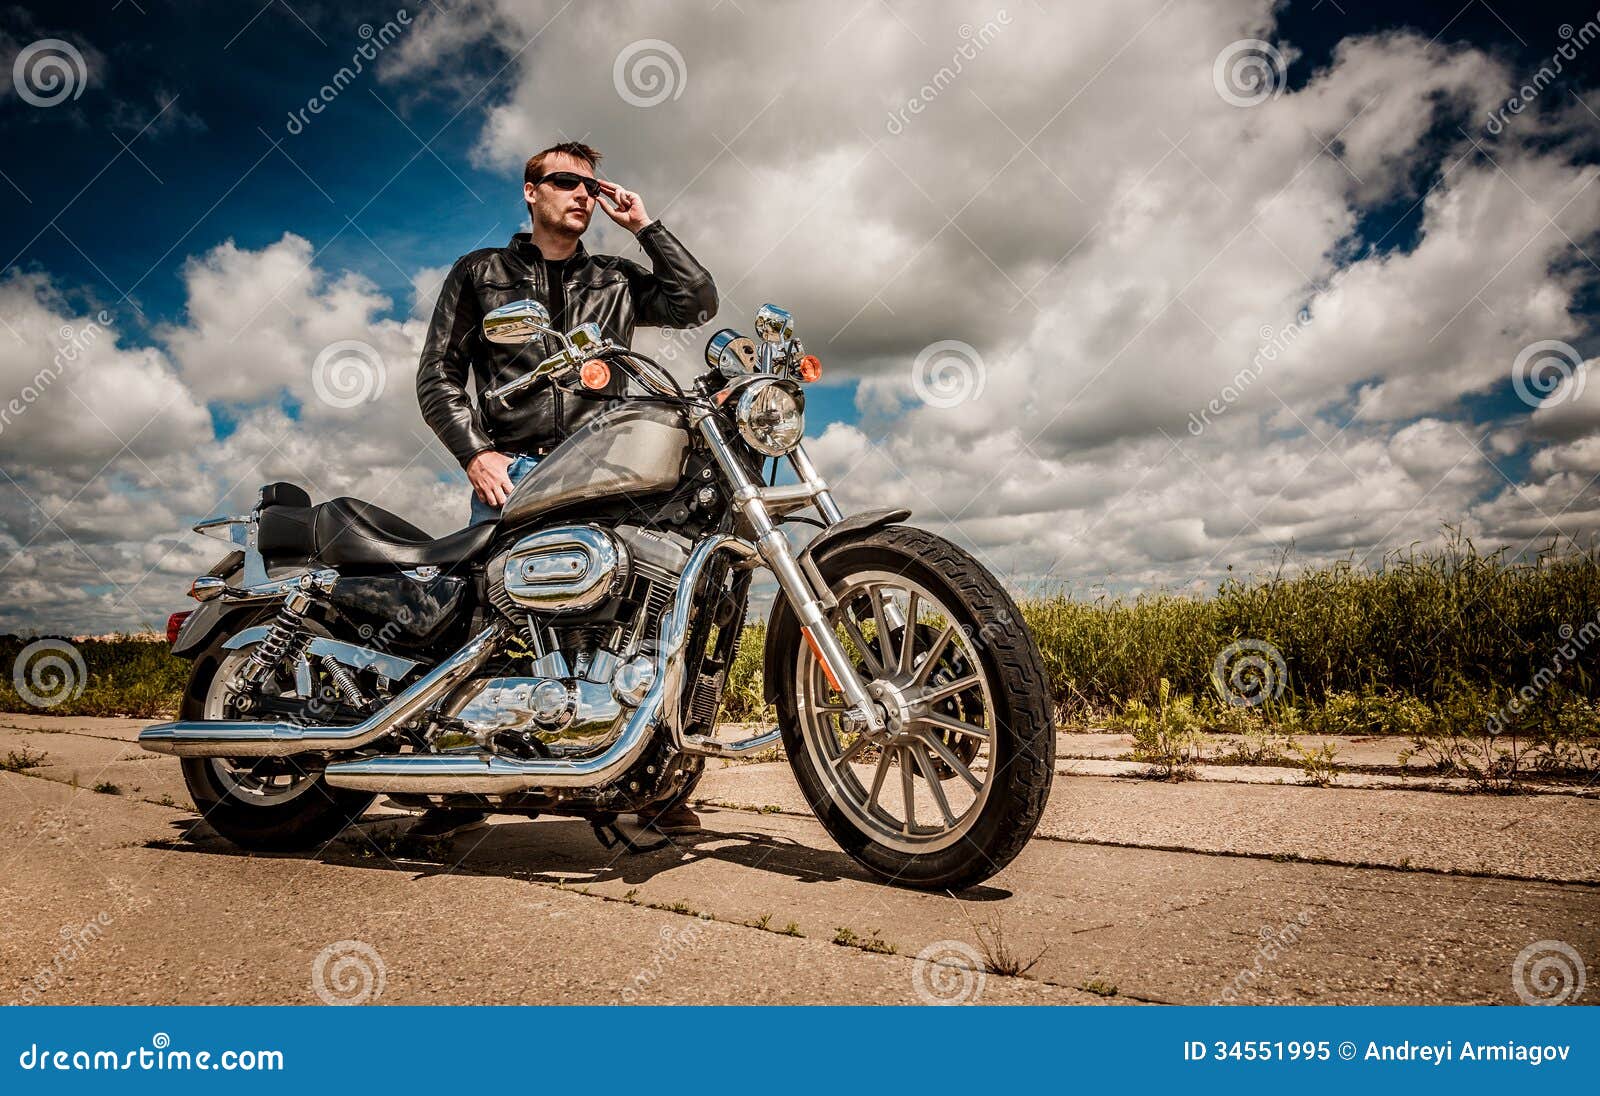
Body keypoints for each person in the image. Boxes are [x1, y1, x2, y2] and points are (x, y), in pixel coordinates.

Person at [411, 140, 717, 840]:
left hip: (604, 463)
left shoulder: (614, 277)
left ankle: (650, 781)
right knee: (478, 618)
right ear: (530, 190)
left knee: (645, 611)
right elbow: (437, 375)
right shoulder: (480, 273)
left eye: (592, 185)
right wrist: (475, 452)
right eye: (566, 181)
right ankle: (448, 785)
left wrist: (646, 226)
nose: (582, 194)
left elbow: (696, 301)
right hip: (513, 466)